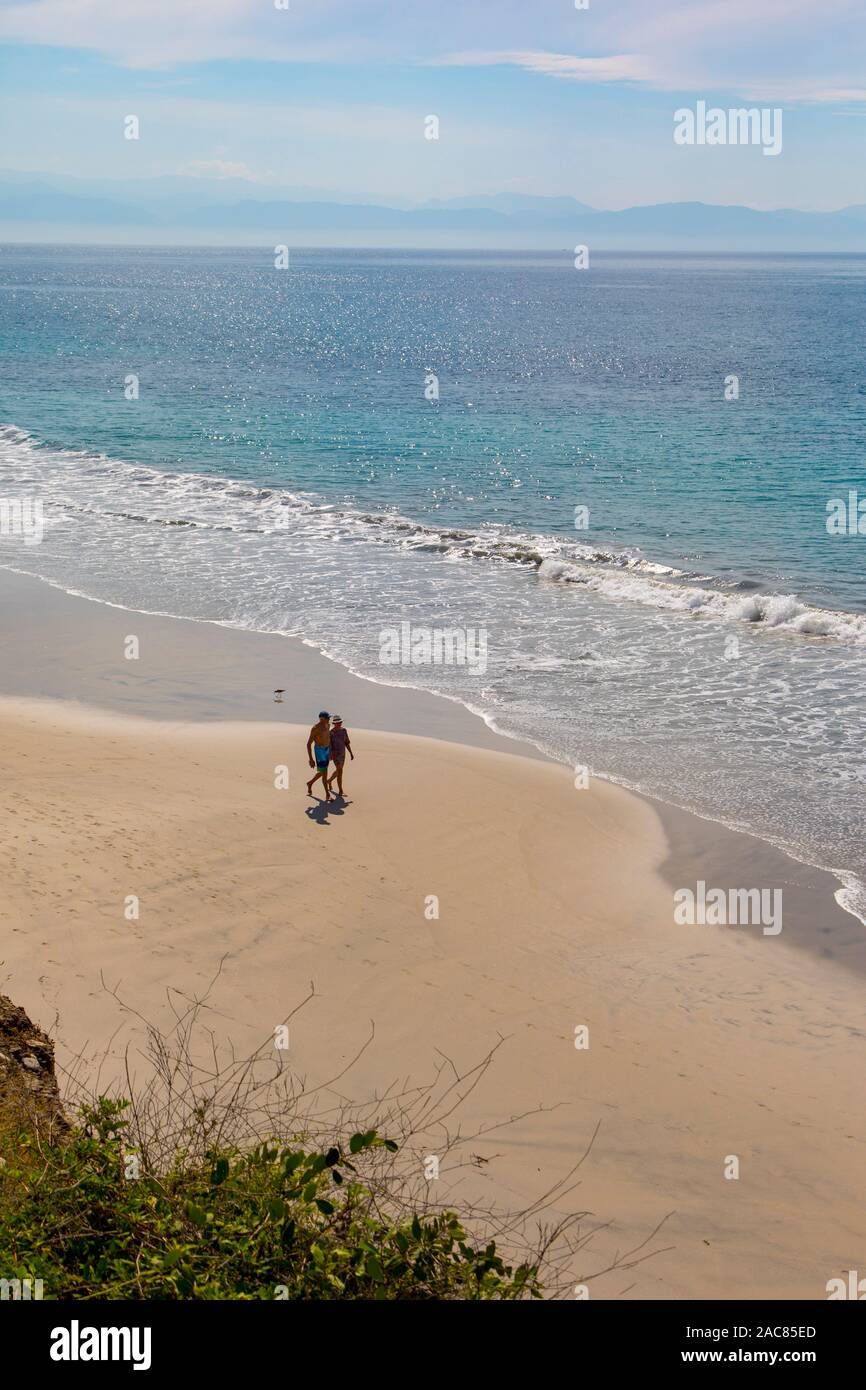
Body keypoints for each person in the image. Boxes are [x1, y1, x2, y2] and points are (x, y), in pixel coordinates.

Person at [306, 711, 333, 800]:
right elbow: (308, 744)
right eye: (328, 718)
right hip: (319, 751)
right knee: (324, 773)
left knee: (322, 772)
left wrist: (330, 752)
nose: (329, 719)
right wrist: (311, 759)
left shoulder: (328, 725)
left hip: (326, 750)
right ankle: (327, 794)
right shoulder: (315, 728)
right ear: (322, 719)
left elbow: (327, 738)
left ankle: (310, 783)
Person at [326, 716, 353, 798]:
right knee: (340, 771)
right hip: (335, 755)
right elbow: (329, 745)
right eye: (338, 723)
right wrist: (330, 754)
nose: (339, 724)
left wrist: (351, 752)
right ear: (334, 723)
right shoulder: (331, 732)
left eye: (340, 722)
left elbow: (347, 742)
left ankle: (329, 781)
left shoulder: (344, 731)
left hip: (342, 754)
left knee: (339, 771)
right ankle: (340, 791)